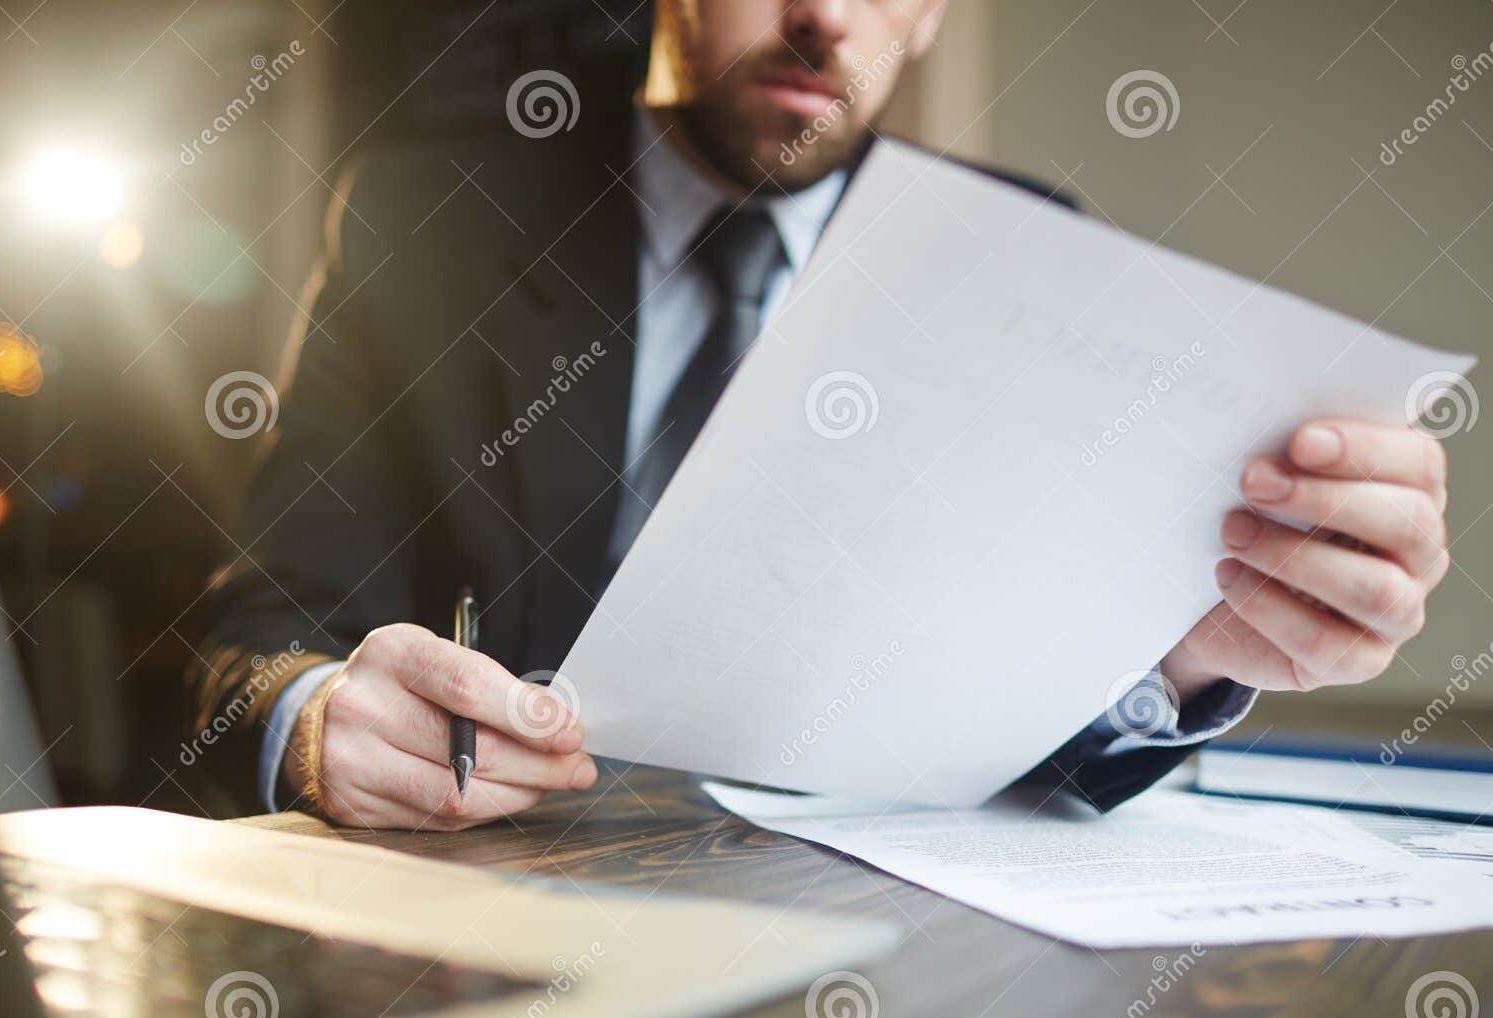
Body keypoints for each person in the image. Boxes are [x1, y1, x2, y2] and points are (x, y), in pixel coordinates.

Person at [191, 0, 1451, 829]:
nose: (824, 19)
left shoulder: (1028, 255)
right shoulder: (428, 214)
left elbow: (1018, 715)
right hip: (489, 909)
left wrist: (1192, 650)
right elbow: (254, 626)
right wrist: (310, 716)